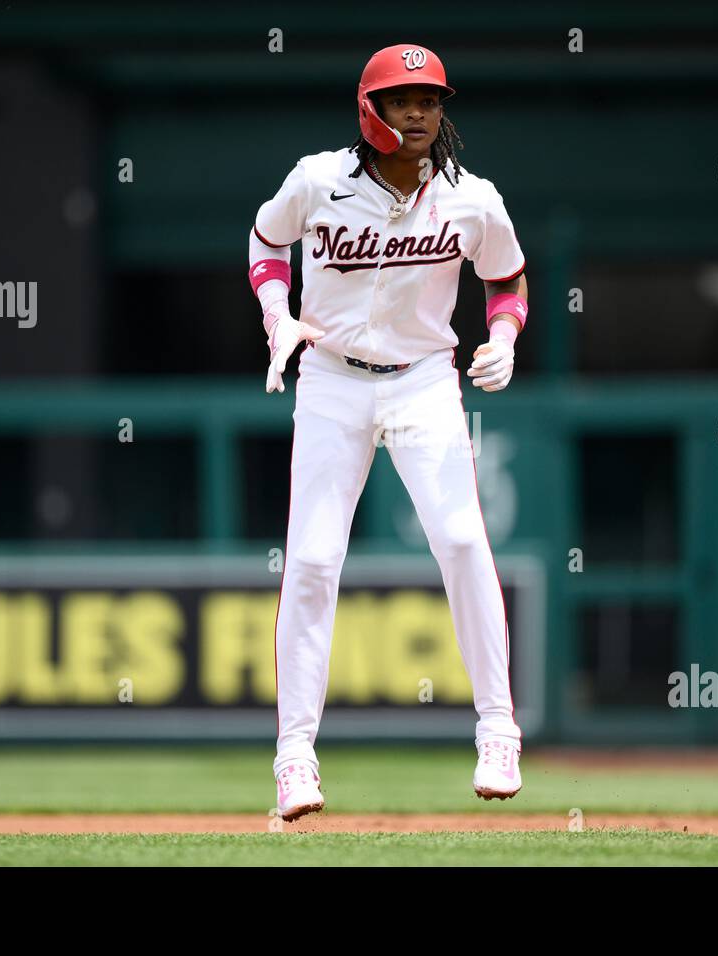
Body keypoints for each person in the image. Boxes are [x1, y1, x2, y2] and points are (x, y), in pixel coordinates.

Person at [247, 44, 529, 822]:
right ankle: (294, 759)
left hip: (423, 380)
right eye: (402, 99)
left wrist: (503, 338)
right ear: (369, 108)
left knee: (465, 542)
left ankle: (498, 729)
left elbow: (506, 275)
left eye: (430, 100)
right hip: (331, 378)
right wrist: (278, 318)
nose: (418, 113)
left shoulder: (471, 198)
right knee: (310, 560)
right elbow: (266, 240)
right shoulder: (316, 180)